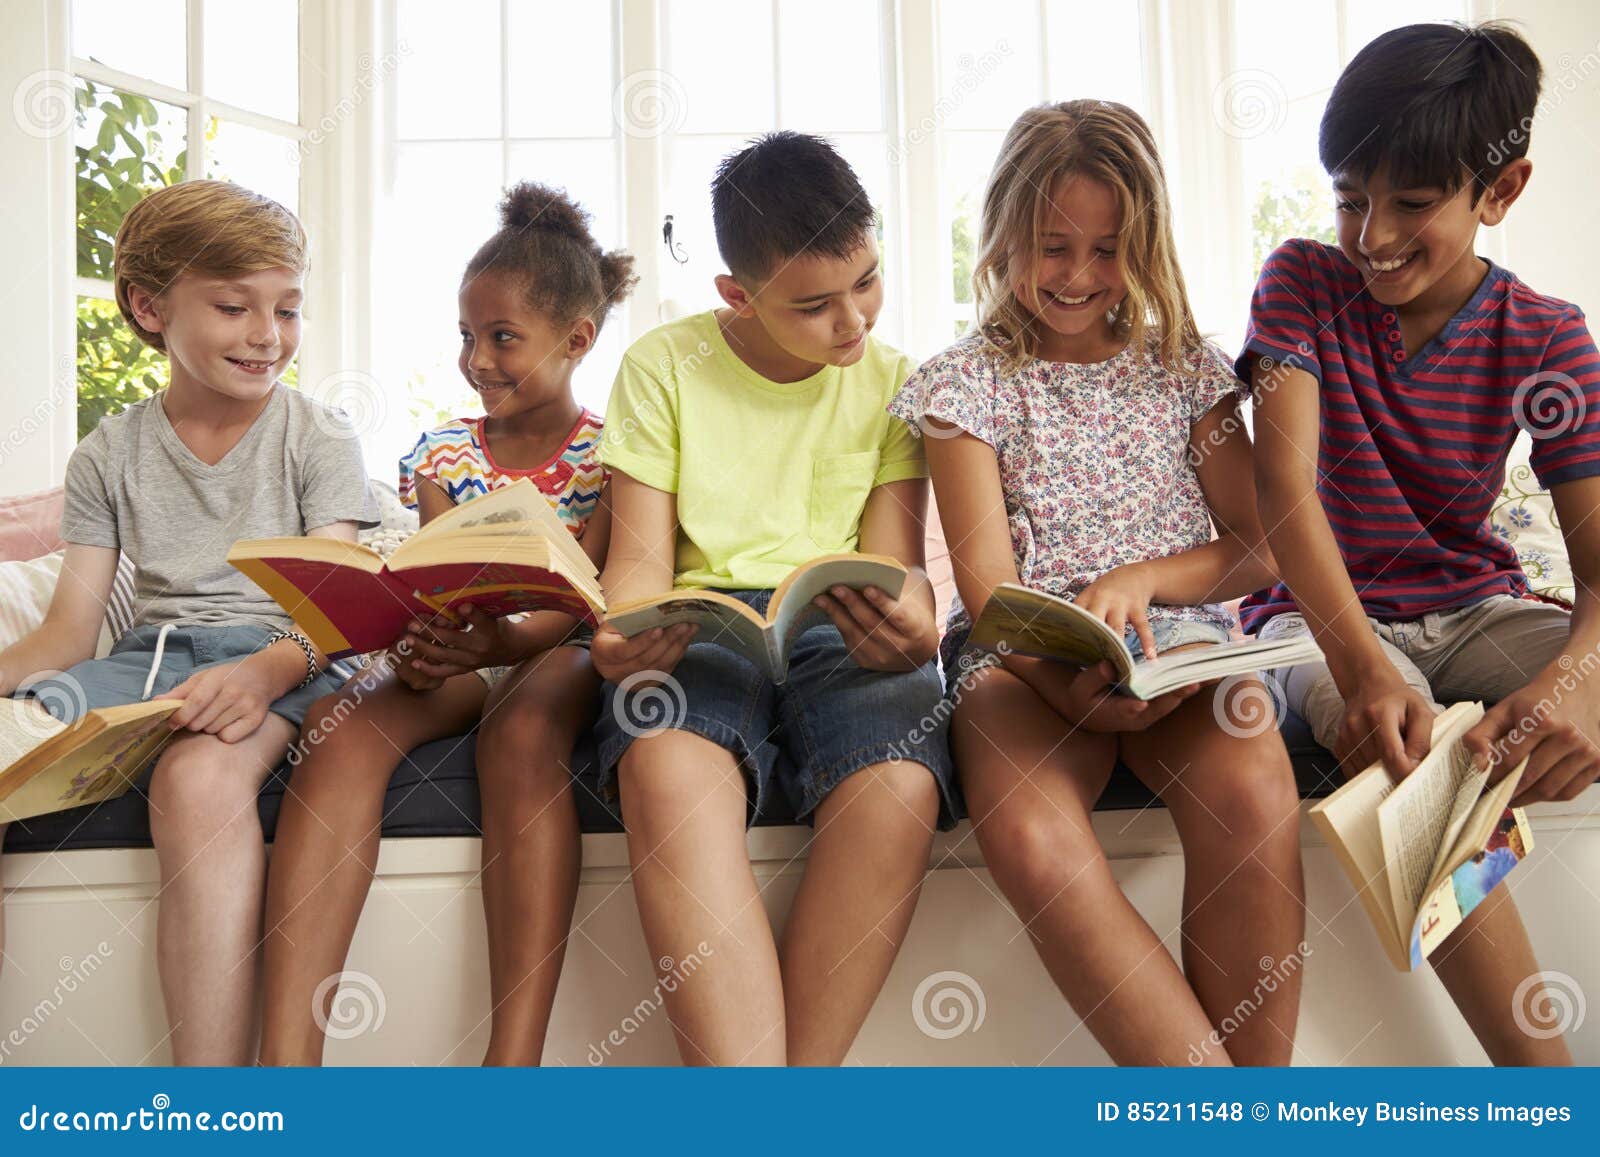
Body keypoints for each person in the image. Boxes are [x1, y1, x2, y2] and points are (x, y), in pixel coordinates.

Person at [892, 100, 1304, 1066]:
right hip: (1024, 665)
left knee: (1255, 793)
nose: (1078, 276)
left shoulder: (1185, 372)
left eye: (1108, 248)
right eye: (1052, 246)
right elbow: (989, 590)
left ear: (1146, 243)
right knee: (1033, 839)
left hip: (1180, 653)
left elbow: (1259, 546)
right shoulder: (965, 384)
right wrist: (1056, 674)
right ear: (1000, 236)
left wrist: (1142, 579)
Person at [1246, 21, 1599, 1064]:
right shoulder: (1301, 284)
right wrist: (1360, 666)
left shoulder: (1545, 335)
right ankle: (1546, 1091)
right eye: (1352, 197)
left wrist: (1577, 678)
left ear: (1500, 189)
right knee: (1415, 752)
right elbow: (1282, 493)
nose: (1370, 234)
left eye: (1411, 204)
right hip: (1316, 620)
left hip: (1475, 604)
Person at [589, 131, 957, 1065]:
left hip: (841, 628)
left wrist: (913, 621)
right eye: (815, 304)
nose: (854, 323)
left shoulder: (894, 382)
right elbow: (637, 563)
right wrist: (621, 634)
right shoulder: (662, 368)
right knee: (664, 772)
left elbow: (893, 562)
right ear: (737, 297)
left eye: (867, 281)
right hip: (699, 628)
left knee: (903, 783)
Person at [0, 180, 377, 1064]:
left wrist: (263, 675)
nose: (267, 334)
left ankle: (211, 1102)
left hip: (287, 655)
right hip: (147, 664)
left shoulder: (318, 436)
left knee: (198, 784)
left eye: (287, 309)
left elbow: (338, 606)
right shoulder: (108, 452)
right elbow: (65, 637)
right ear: (148, 305)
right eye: (234, 306)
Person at [259, 182, 634, 1066]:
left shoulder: (615, 452)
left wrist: (506, 638)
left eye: (503, 337)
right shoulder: (441, 452)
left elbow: (587, 596)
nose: (478, 359)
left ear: (577, 340)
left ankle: (511, 1064)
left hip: (559, 651)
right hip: (461, 651)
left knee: (526, 718)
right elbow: (438, 575)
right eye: (467, 336)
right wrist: (422, 638)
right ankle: (287, 1062)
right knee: (337, 719)